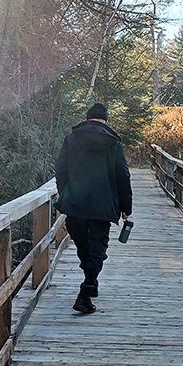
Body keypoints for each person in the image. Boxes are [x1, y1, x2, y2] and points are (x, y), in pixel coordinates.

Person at [55, 103, 132, 313]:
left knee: (83, 246)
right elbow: (123, 175)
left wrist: (65, 194)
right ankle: (86, 291)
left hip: (75, 203)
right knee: (97, 249)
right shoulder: (113, 143)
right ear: (105, 120)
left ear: (88, 118)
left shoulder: (71, 139)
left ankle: (90, 282)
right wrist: (126, 206)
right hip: (102, 204)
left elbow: (60, 170)